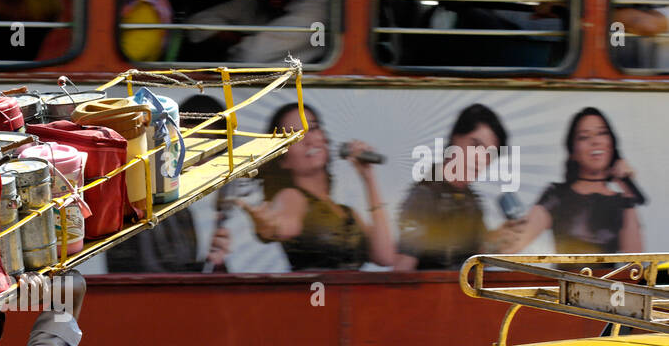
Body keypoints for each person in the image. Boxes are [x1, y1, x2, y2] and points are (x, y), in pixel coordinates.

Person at [235, 103, 395, 270]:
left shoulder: (349, 213)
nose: (309, 140)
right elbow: (285, 223)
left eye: (312, 129)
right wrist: (269, 226)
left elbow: (385, 257)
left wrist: (368, 177)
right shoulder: (291, 196)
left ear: (324, 138)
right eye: (294, 136)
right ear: (282, 159)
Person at [500, 108, 645, 255]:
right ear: (573, 151)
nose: (595, 141)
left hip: (608, 278)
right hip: (565, 277)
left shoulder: (622, 202)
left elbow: (635, 264)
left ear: (612, 143)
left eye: (602, 133)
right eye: (584, 137)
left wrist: (627, 189)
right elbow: (515, 245)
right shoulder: (557, 195)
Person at [393, 103, 518, 270]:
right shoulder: (424, 195)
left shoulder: (472, 201)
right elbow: (402, 270)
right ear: (454, 139)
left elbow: (475, 260)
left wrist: (498, 243)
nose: (480, 159)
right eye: (475, 145)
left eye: (489, 154)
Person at [182, 0, 330, 64]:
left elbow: (249, 56)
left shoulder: (316, 10)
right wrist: (237, 38)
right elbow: (197, 23)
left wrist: (244, 41)